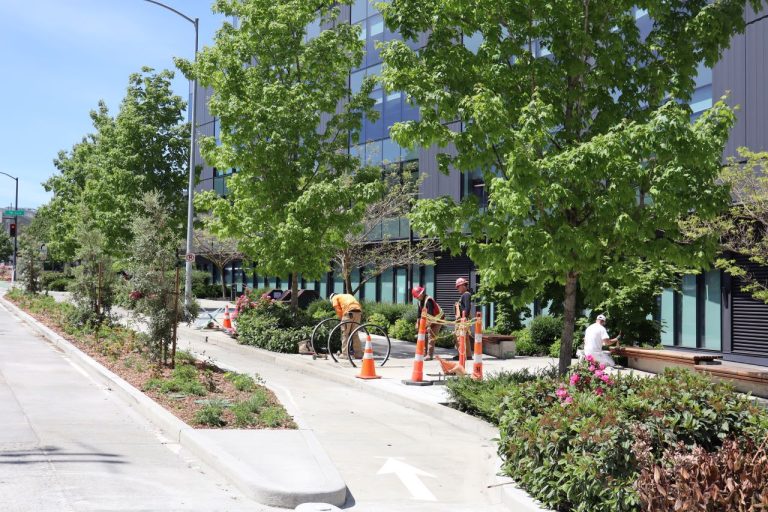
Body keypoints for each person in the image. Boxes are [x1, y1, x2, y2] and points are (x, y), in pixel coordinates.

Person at [411, 286, 443, 360]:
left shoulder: (429, 301)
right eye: (416, 297)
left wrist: (429, 326)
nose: (417, 298)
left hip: (438, 319)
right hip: (430, 319)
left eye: (417, 296)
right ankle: (424, 353)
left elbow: (430, 315)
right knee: (423, 335)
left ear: (421, 294)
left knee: (431, 336)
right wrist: (417, 323)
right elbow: (419, 314)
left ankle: (429, 355)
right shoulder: (419, 302)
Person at [329, 292, 363, 359]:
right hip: (358, 312)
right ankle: (358, 354)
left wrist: (341, 319)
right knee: (355, 334)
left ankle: (345, 354)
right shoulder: (347, 295)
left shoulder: (334, 298)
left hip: (348, 313)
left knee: (345, 334)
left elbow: (338, 310)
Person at [453, 277, 473, 360]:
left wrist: (463, 318)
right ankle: (467, 355)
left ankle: (461, 354)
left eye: (458, 286)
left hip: (462, 319)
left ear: (463, 286)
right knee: (465, 337)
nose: (457, 288)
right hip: (463, 319)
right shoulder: (465, 295)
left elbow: (467, 308)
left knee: (458, 337)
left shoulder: (466, 295)